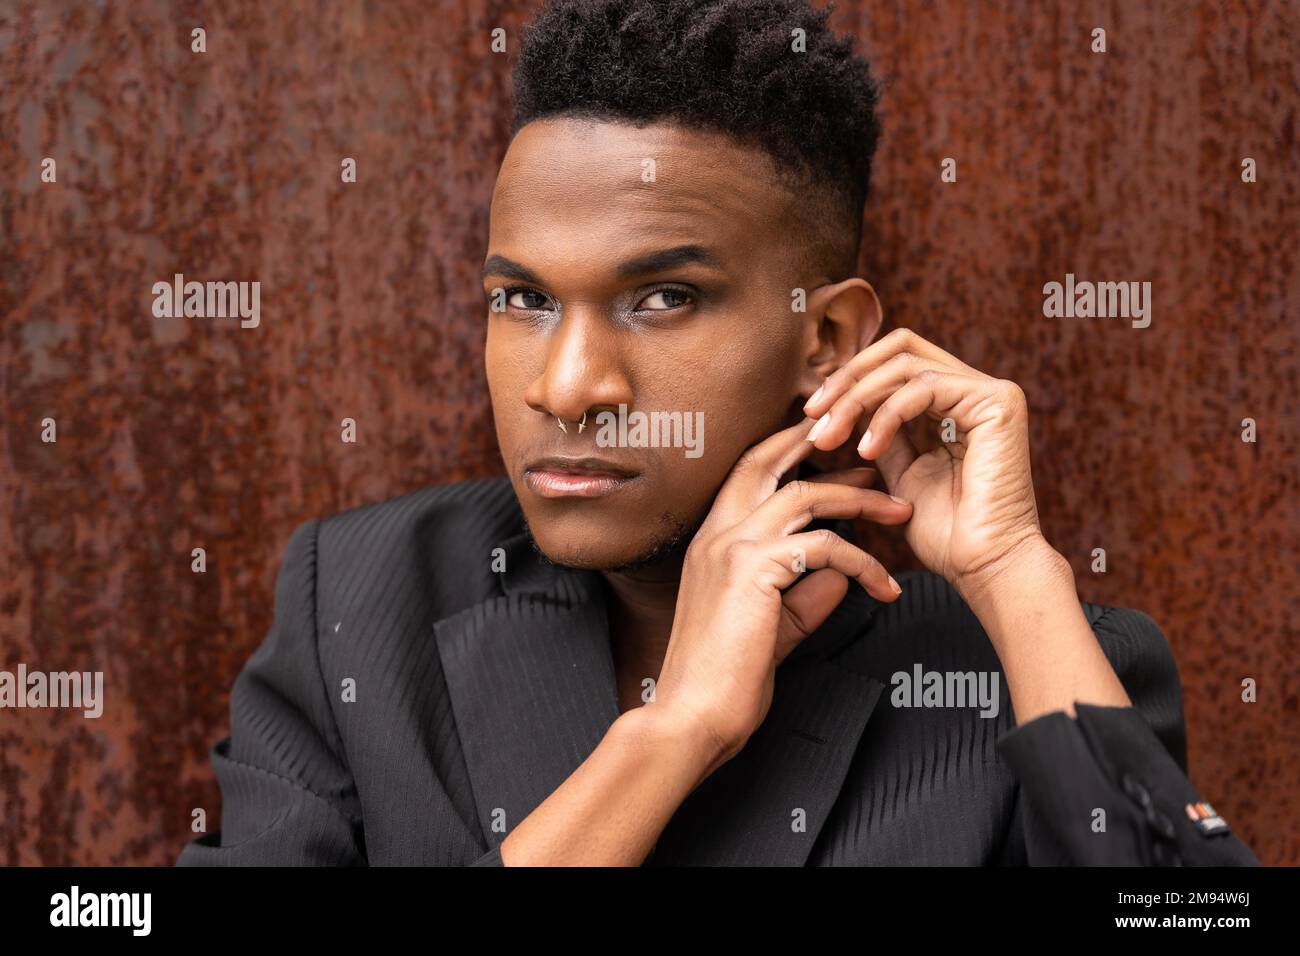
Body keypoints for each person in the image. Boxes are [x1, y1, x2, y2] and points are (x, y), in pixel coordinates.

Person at [176, 0, 1258, 866]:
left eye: (661, 300)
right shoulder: (360, 609)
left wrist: (1016, 575)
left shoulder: (1028, 666)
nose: (568, 384)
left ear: (825, 335)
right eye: (522, 300)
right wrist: (665, 738)